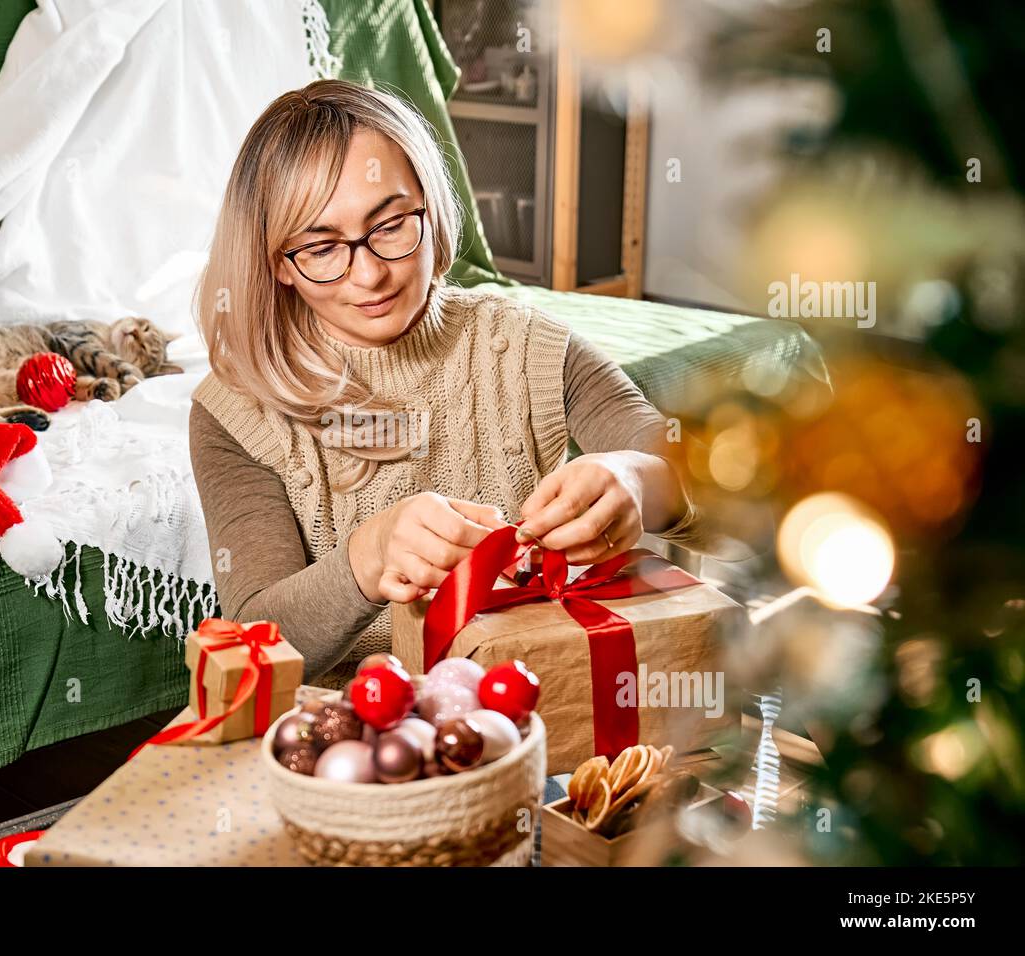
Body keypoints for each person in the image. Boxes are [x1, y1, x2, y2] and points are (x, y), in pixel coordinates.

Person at [190, 79, 696, 687]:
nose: (371, 274)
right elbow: (253, 644)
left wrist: (641, 480)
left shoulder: (529, 347)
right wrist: (367, 558)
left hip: (536, 707)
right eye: (321, 247)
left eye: (392, 224)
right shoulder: (234, 412)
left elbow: (721, 485)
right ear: (276, 263)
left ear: (432, 204)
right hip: (354, 745)